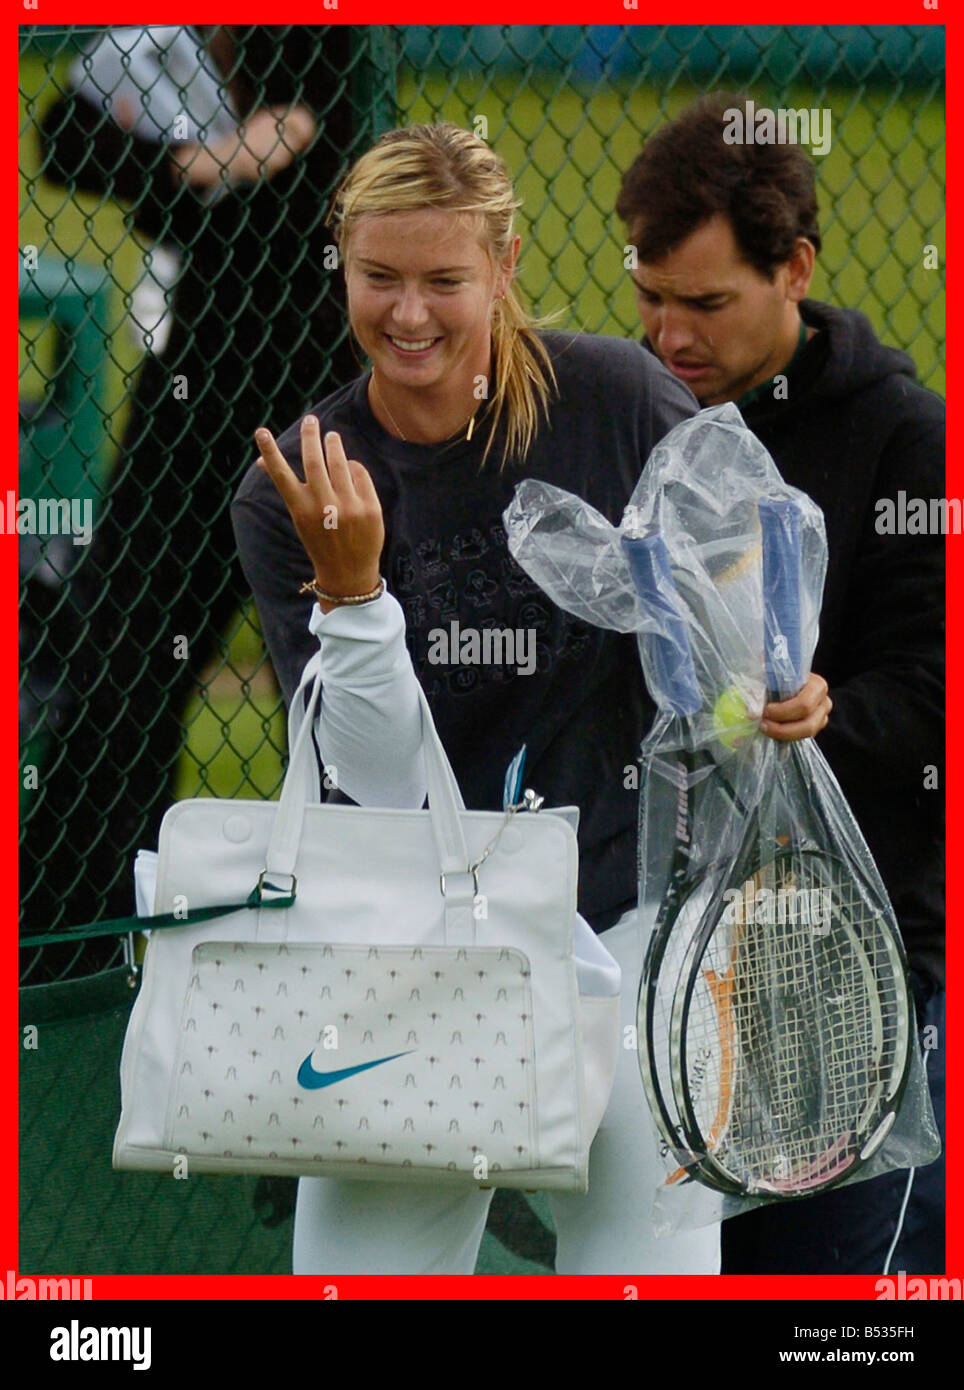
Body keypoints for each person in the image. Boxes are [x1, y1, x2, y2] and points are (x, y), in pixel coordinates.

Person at [231, 121, 829, 1275]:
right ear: (341, 265)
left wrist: (766, 669)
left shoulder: (615, 396)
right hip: (408, 960)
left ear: (502, 269)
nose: (410, 314)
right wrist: (353, 596)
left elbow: (744, 561)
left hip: (627, 931)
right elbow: (380, 784)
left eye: (445, 279)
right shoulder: (293, 489)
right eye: (380, 277)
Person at [616, 91, 945, 1275]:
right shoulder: (633, 412)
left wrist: (829, 714)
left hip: (851, 969)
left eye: (705, 303)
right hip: (657, 977)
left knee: (837, 1306)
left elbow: (936, 690)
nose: (670, 335)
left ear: (793, 268)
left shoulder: (907, 439)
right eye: (649, 298)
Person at [20, 26, 357, 966]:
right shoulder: (151, 37)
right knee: (121, 650)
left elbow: (290, 156)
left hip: (315, 377)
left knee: (332, 671)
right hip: (198, 382)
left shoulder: (318, 32)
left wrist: (185, 178)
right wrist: (189, 168)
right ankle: (84, 942)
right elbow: (60, 137)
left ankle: (338, 932)